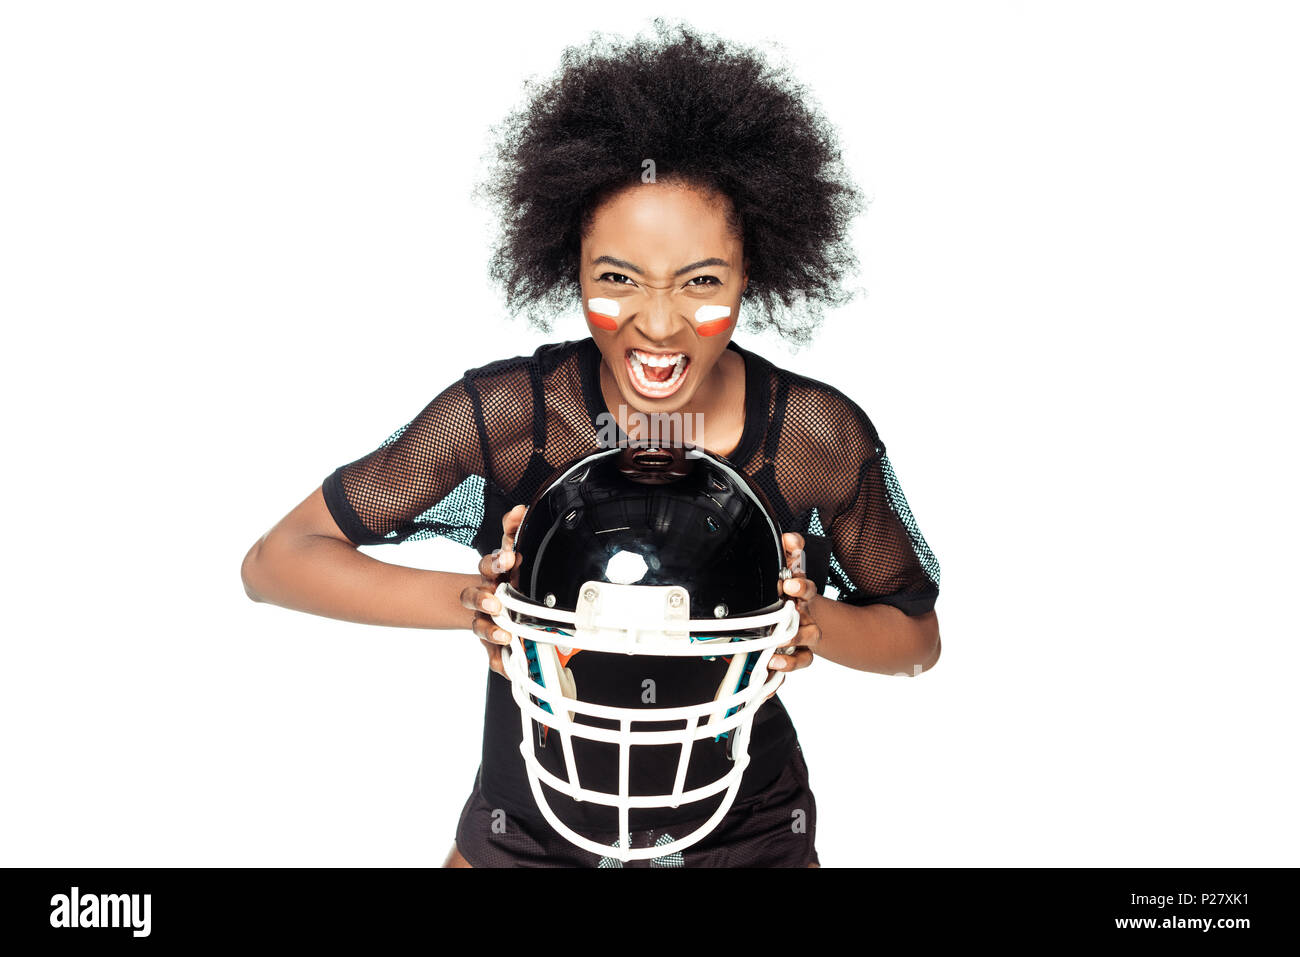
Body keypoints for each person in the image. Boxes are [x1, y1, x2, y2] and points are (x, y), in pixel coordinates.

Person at [241, 19, 942, 868]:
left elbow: (916, 637)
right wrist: (479, 607)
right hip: (527, 823)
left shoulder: (812, 435)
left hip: (747, 834)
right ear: (570, 262)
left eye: (701, 282)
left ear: (751, 269)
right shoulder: (512, 416)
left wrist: (815, 622)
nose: (656, 322)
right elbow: (275, 561)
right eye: (618, 278)